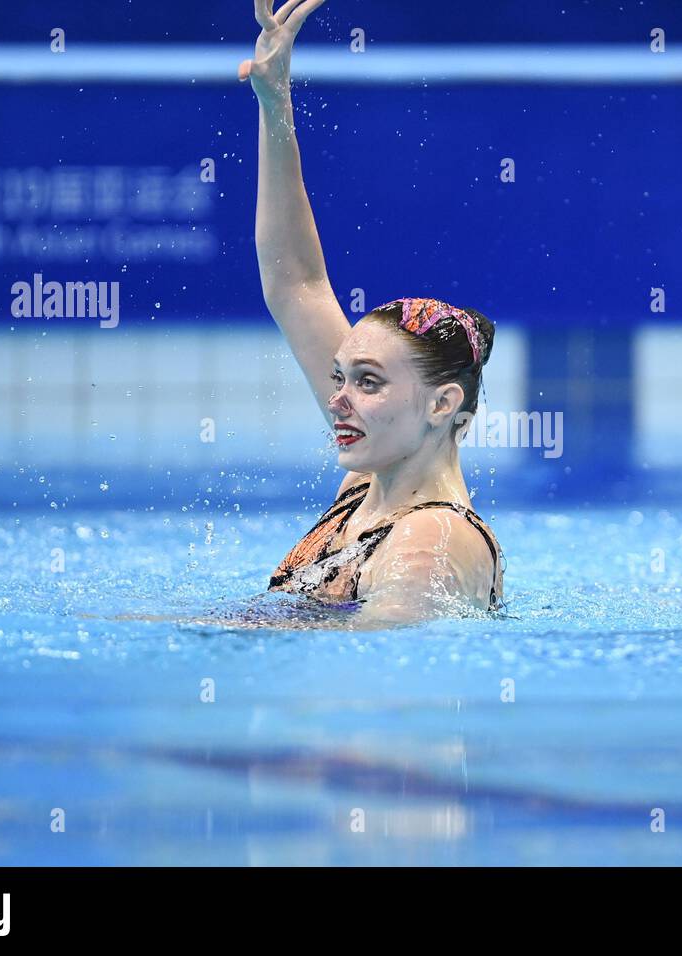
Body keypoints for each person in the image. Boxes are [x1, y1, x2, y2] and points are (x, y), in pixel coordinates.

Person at [239, 0, 504, 624]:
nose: (338, 399)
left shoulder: (430, 542)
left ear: (442, 405)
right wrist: (275, 108)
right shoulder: (366, 494)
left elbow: (374, 678)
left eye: (368, 382)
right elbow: (295, 281)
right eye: (341, 377)